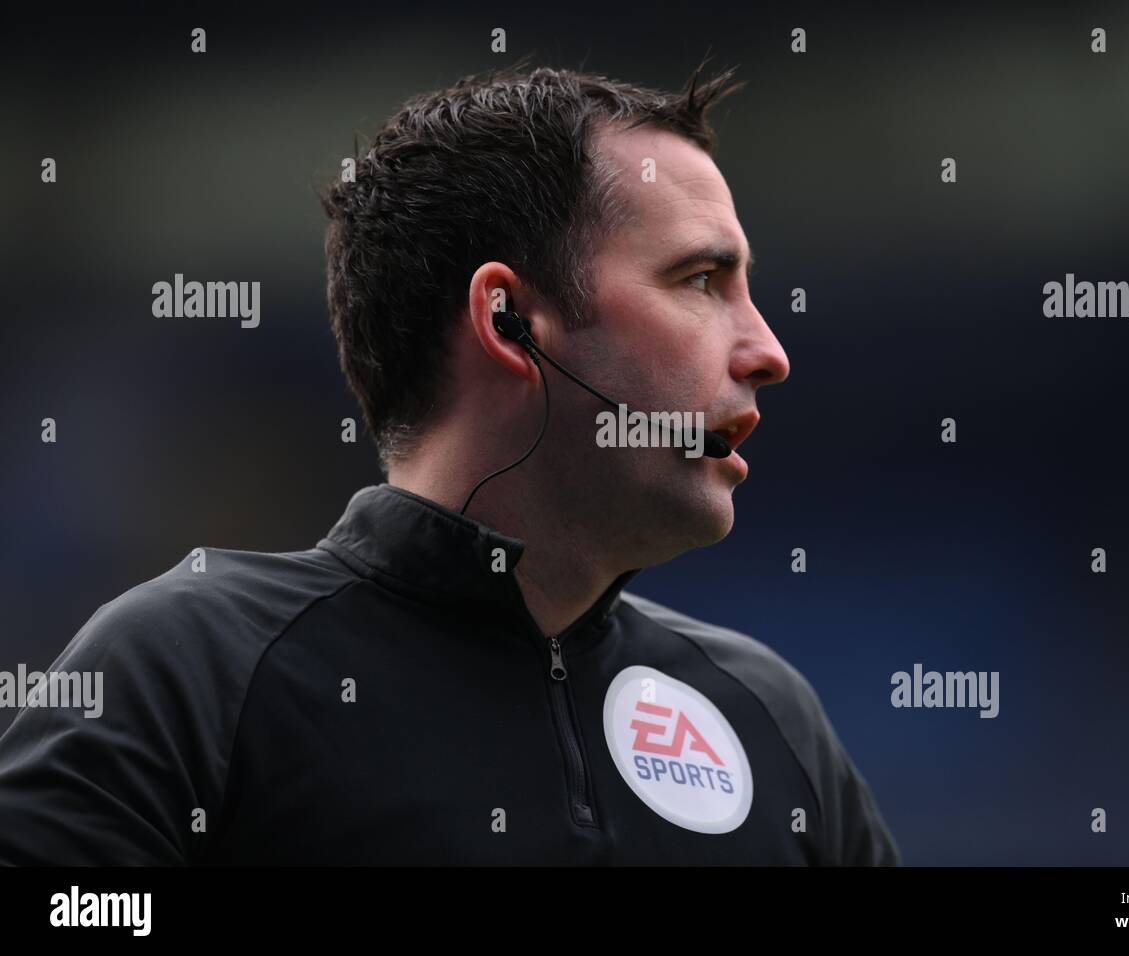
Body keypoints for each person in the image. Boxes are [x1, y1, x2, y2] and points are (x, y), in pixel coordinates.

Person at [0, 61, 899, 865]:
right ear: (509, 319)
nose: (769, 351)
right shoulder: (191, 670)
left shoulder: (768, 716)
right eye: (701, 281)